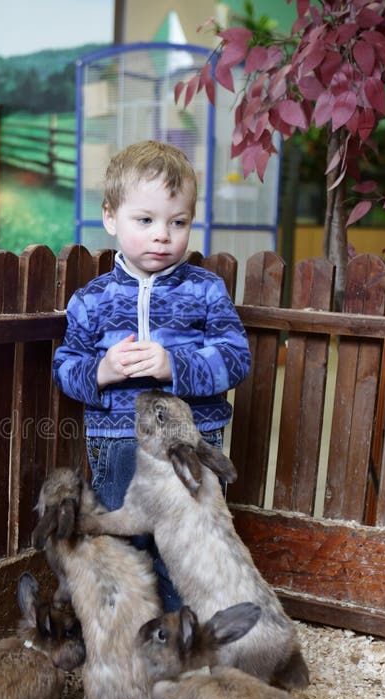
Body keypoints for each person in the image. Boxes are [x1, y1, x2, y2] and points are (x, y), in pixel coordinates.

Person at [53, 140, 251, 610]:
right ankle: (133, 653)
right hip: (118, 441)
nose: (163, 235)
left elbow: (236, 358)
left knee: (189, 550)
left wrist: (174, 365)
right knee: (126, 550)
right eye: (145, 220)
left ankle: (188, 649)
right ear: (110, 218)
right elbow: (65, 366)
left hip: (192, 444)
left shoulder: (205, 291)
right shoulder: (92, 299)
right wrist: (99, 371)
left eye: (177, 222)